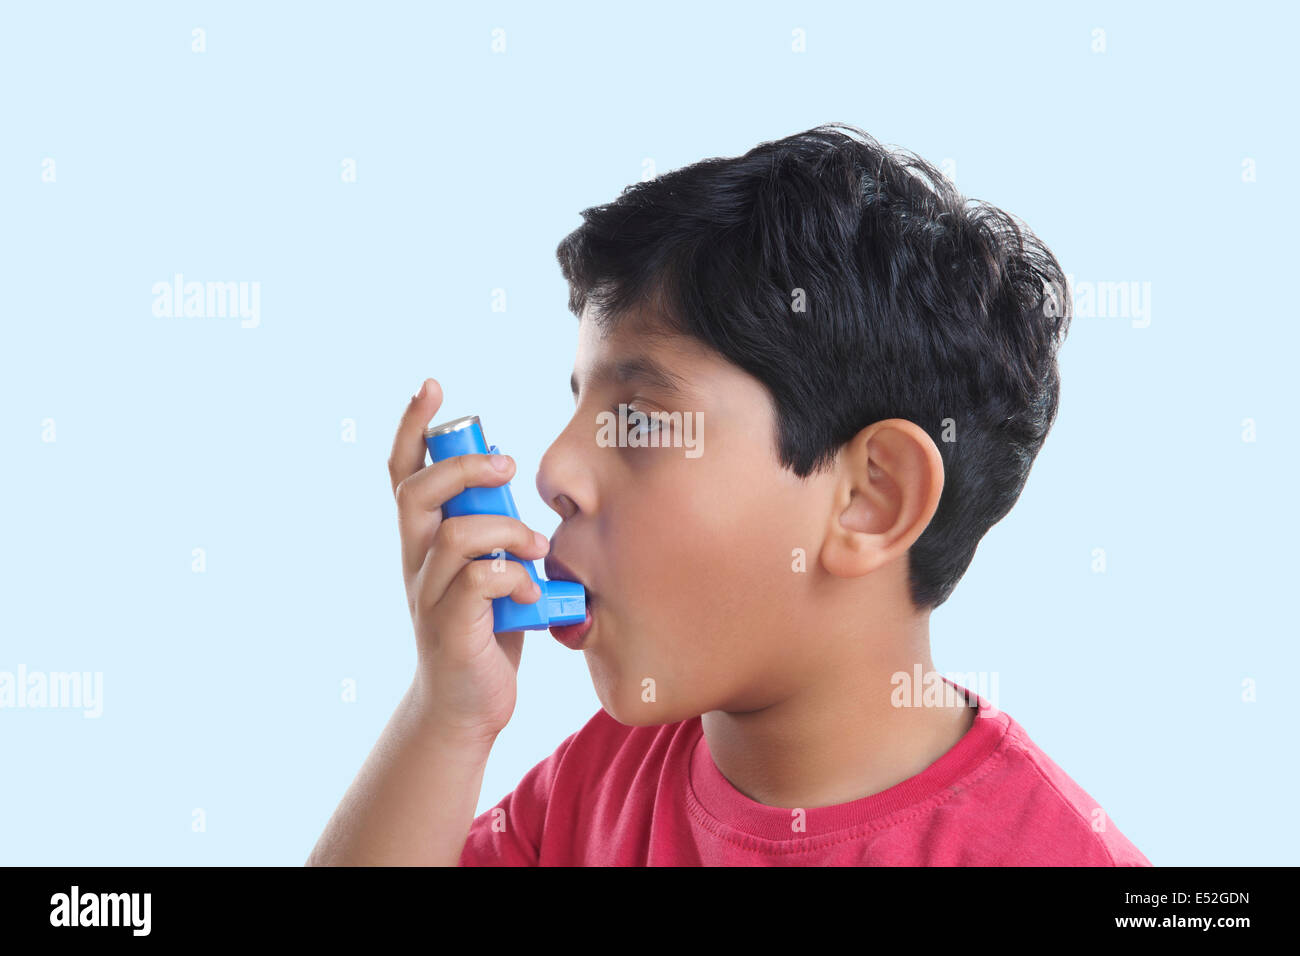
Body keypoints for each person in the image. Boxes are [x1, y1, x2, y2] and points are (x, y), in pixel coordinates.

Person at [307, 123, 1150, 866]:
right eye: (578, 406)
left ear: (873, 499)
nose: (554, 470)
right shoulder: (588, 793)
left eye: (636, 422)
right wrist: (447, 717)